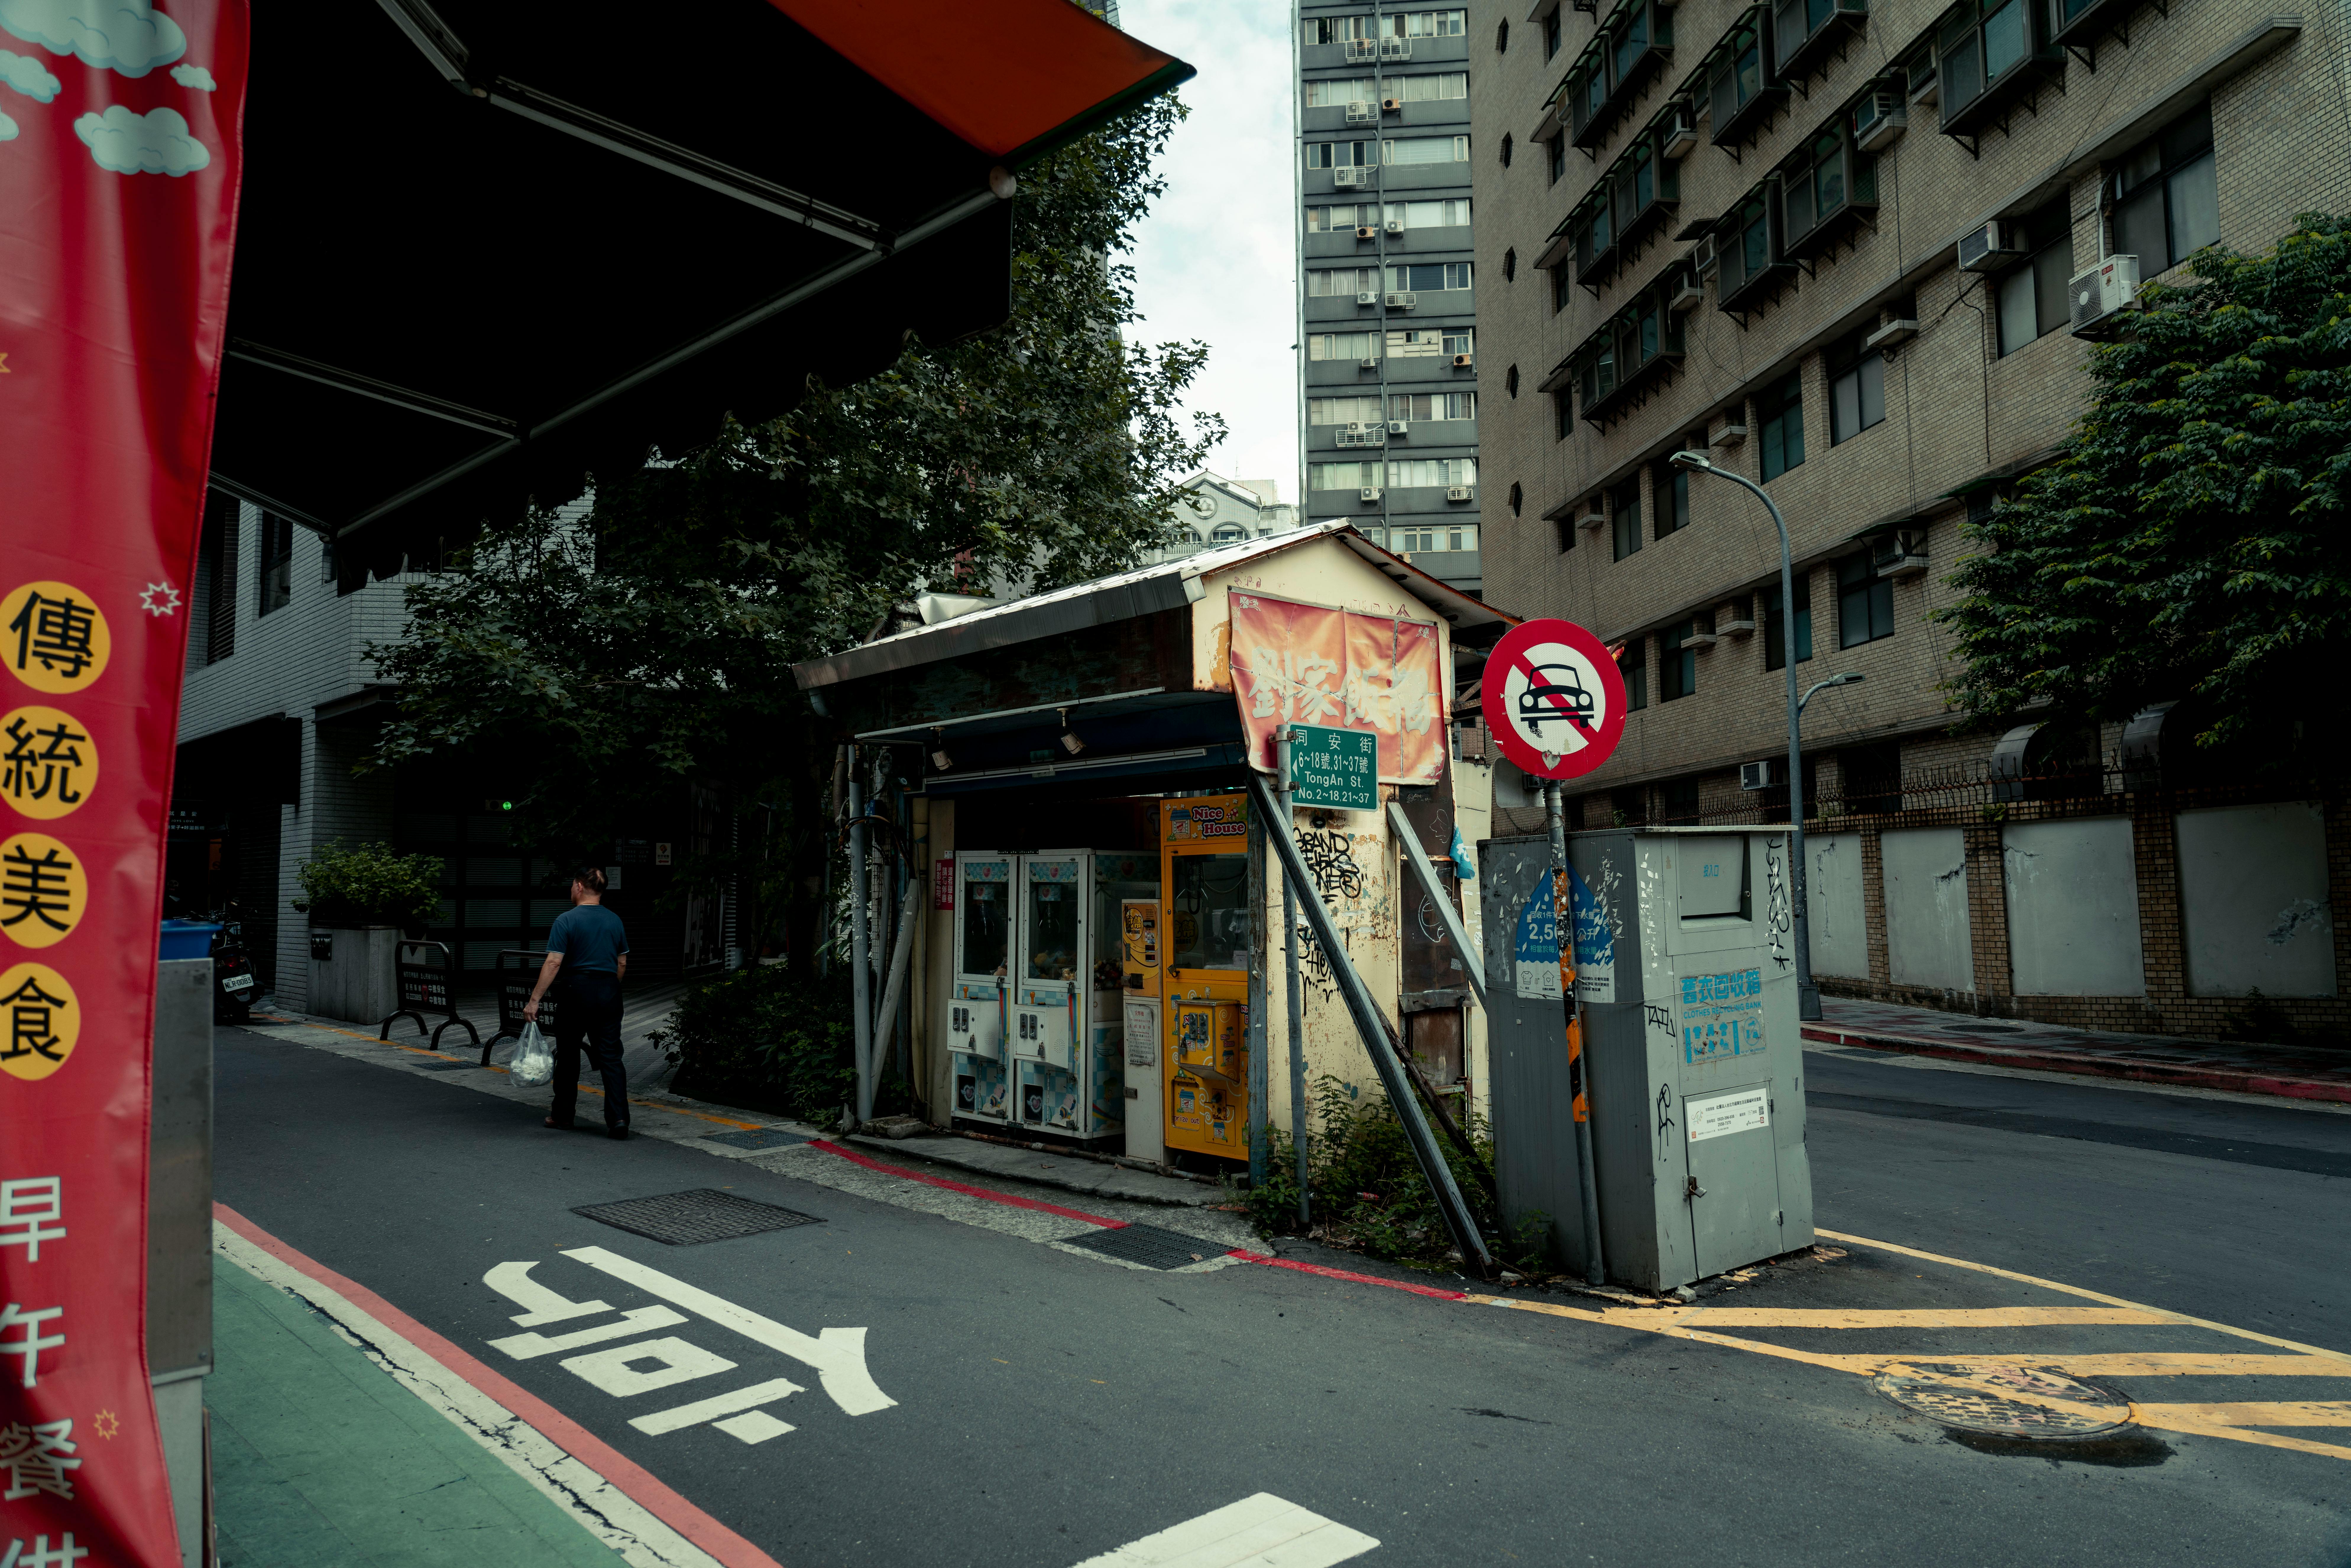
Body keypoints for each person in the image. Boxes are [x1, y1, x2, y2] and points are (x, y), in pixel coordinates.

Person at [525, 866, 632, 1140]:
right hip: (608, 992)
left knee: (569, 1054)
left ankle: (563, 1116)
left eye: (573, 885)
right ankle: (619, 1119)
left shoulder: (566, 920)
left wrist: (534, 1000)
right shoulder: (615, 920)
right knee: (611, 1057)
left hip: (576, 991)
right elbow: (622, 963)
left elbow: (554, 961)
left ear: (580, 887)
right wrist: (608, 988)